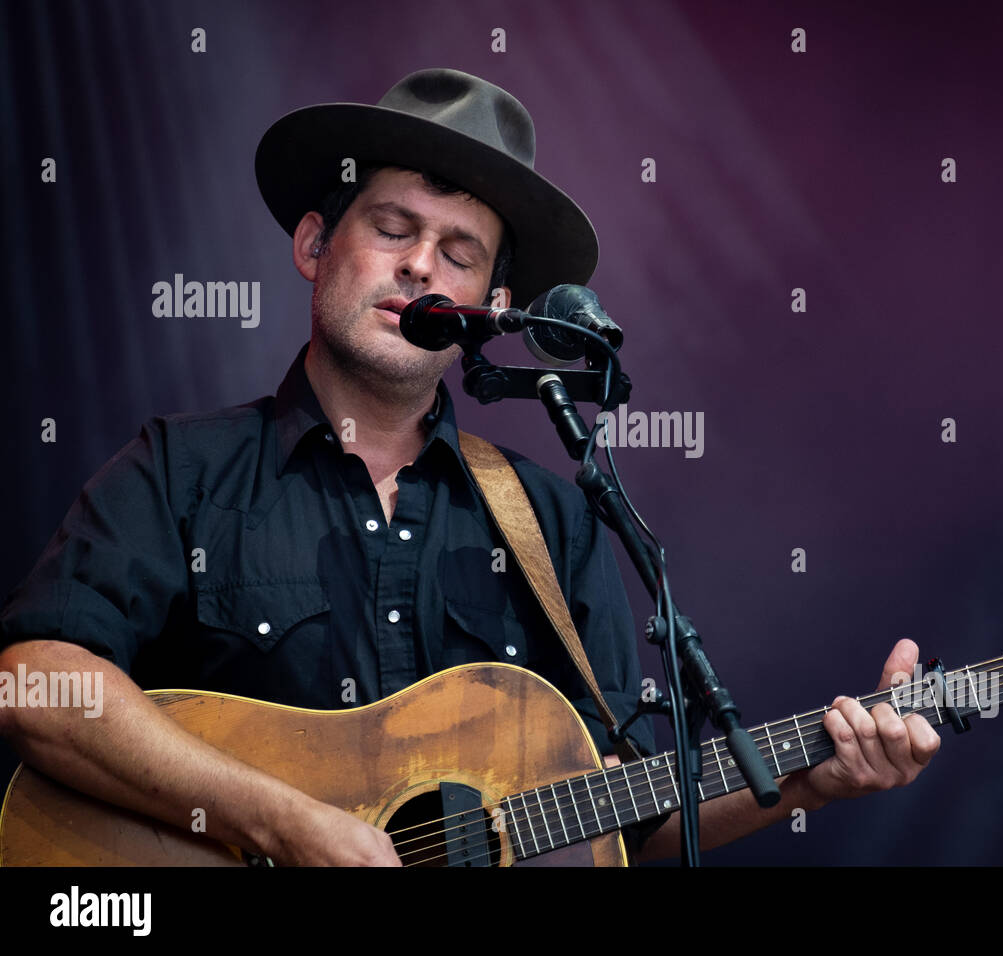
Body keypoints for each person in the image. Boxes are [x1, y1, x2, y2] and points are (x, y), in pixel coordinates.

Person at [0, 69, 939, 866]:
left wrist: (823, 774)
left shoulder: (548, 522)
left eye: (457, 254)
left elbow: (635, 822)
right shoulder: (180, 468)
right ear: (315, 245)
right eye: (393, 228)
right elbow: (34, 680)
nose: (419, 268)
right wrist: (281, 822)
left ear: (489, 306)